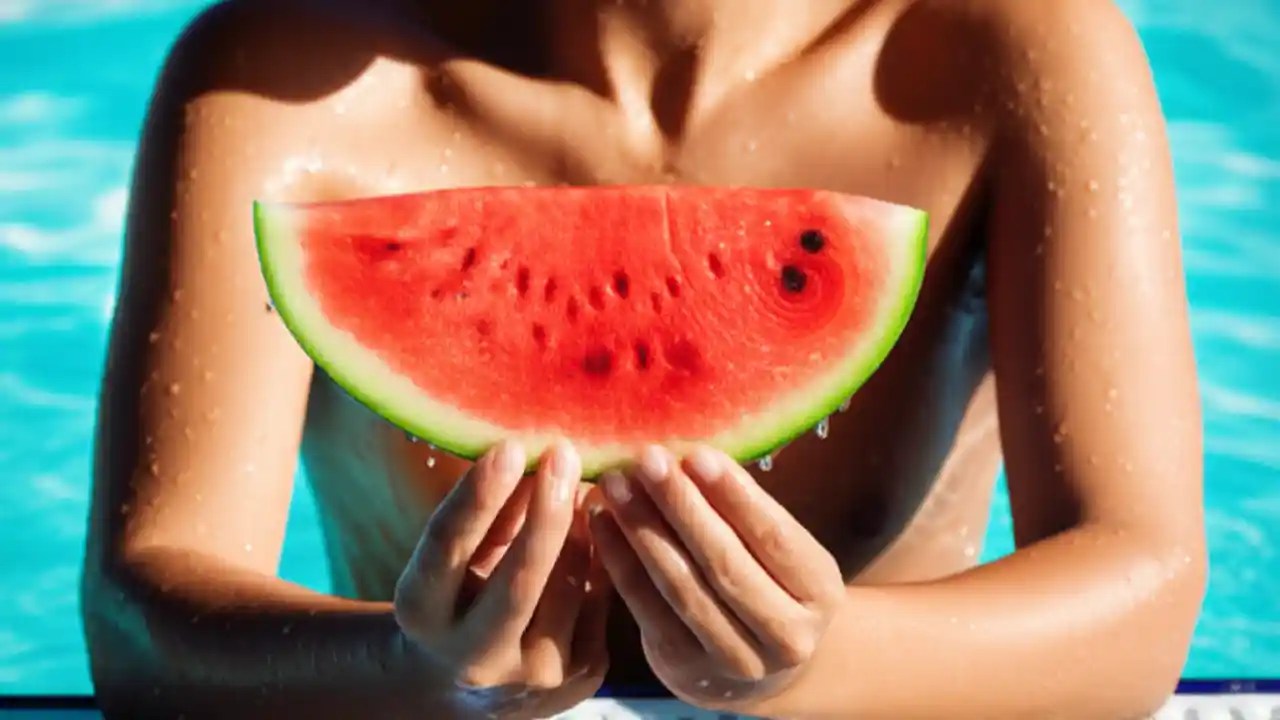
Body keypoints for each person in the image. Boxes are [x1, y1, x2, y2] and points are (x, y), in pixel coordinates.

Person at [81, 0, 1207, 717]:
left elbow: (1141, 600)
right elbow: (138, 628)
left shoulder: (1012, 55)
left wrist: (824, 667)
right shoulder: (272, 80)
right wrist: (412, 676)